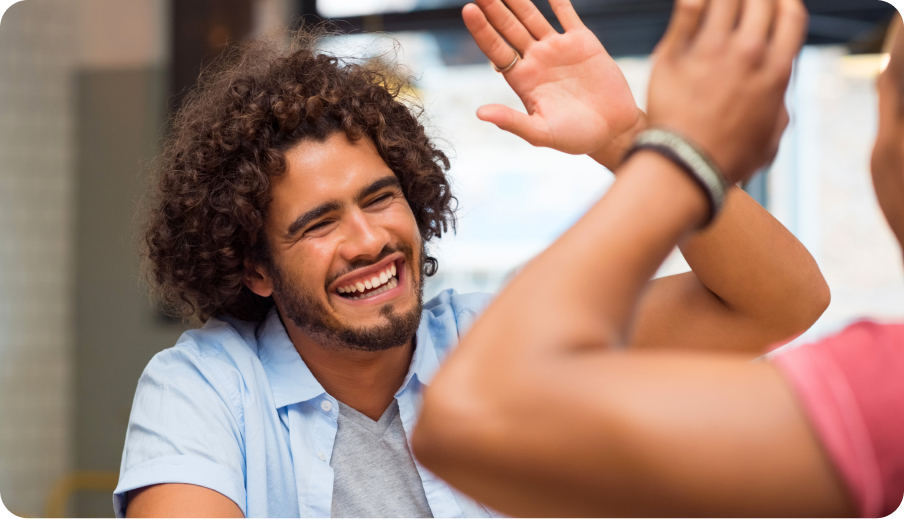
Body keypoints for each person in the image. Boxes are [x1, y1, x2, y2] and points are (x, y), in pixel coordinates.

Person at [115, 0, 830, 517]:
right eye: (318, 223)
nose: (368, 240)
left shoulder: (502, 341)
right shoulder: (203, 388)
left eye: (380, 197)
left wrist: (628, 136)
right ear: (256, 268)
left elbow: (779, 304)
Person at [413, 0, 904, 517]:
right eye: (318, 222)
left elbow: (470, 416)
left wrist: (673, 155)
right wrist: (659, 150)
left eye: (886, 97)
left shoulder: (886, 388)